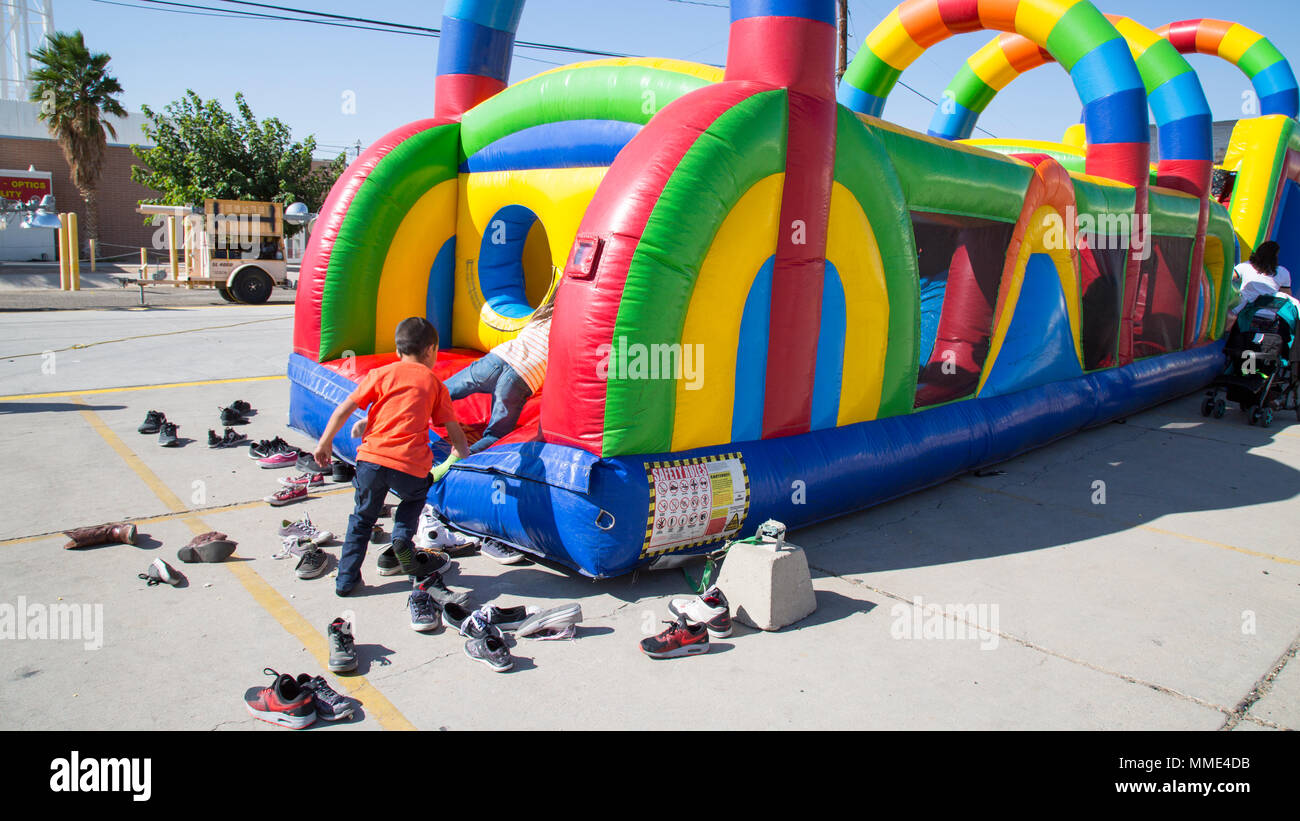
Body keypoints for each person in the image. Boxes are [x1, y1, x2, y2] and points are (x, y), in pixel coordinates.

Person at [313, 317, 471, 597]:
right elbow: (451, 426)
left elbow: (343, 410)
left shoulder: (380, 374)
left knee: (361, 519)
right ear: (431, 350)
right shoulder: (434, 383)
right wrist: (461, 451)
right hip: (410, 465)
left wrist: (325, 443)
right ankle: (401, 539)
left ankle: (346, 580)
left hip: (371, 461)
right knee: (413, 497)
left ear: (398, 351)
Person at [440, 299, 552, 460]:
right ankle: (458, 458)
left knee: (442, 392)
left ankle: (408, 410)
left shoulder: (543, 312)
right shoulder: (571, 323)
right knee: (495, 436)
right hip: (522, 376)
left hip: (499, 358)